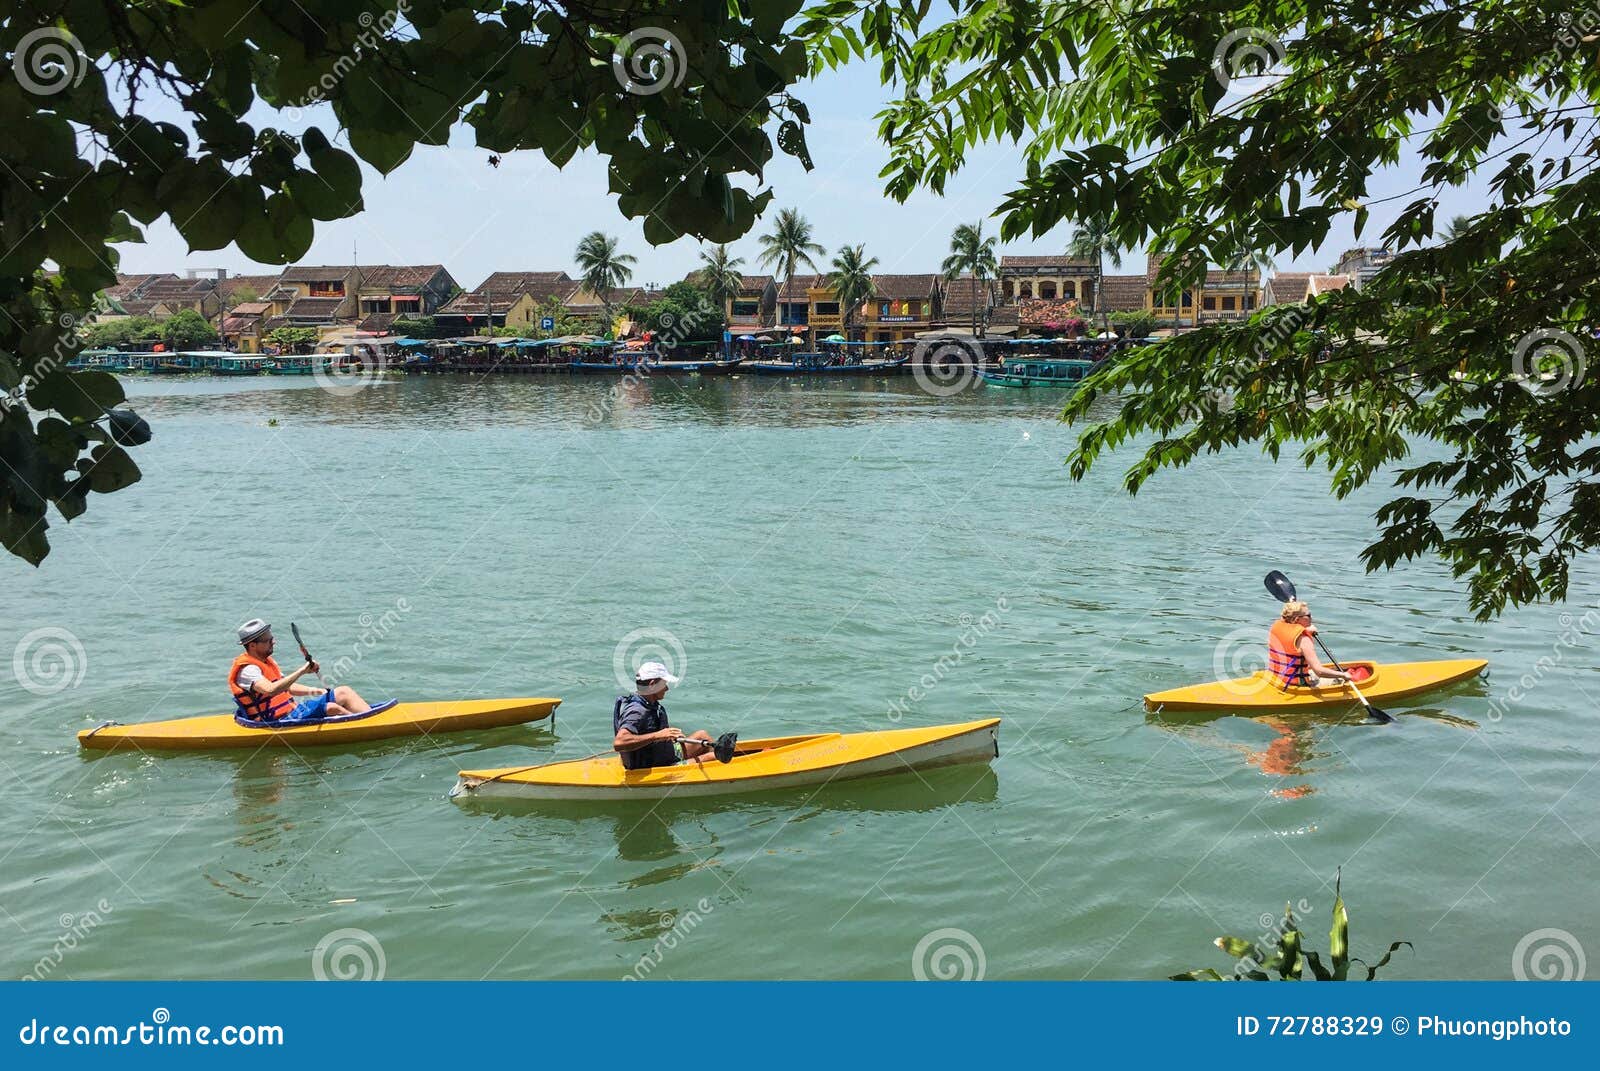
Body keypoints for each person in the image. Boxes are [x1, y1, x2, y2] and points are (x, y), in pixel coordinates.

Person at [228, 619, 370, 723]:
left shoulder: (267, 662)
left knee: (343, 691)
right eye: (268, 640)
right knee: (332, 707)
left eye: (272, 638)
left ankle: (373, 718)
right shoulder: (248, 670)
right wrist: (302, 671)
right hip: (275, 721)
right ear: (253, 645)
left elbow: (286, 687)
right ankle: (365, 728)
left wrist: (315, 690)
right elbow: (270, 690)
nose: (273, 642)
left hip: (293, 711)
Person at [612, 661, 714, 769]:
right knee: (713, 757)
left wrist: (667, 736)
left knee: (702, 735)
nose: (666, 688)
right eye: (664, 684)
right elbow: (619, 743)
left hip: (664, 755)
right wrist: (658, 735)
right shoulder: (637, 711)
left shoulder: (648, 703)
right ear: (652, 685)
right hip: (657, 766)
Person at [1267, 601, 1352, 688]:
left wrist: (1305, 629)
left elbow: (1290, 629)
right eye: (1308, 616)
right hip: (1295, 685)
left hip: (1277, 679)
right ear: (1297, 619)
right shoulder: (1304, 640)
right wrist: (1343, 675)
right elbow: (1319, 672)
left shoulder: (1276, 627)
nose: (1312, 618)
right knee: (1343, 680)